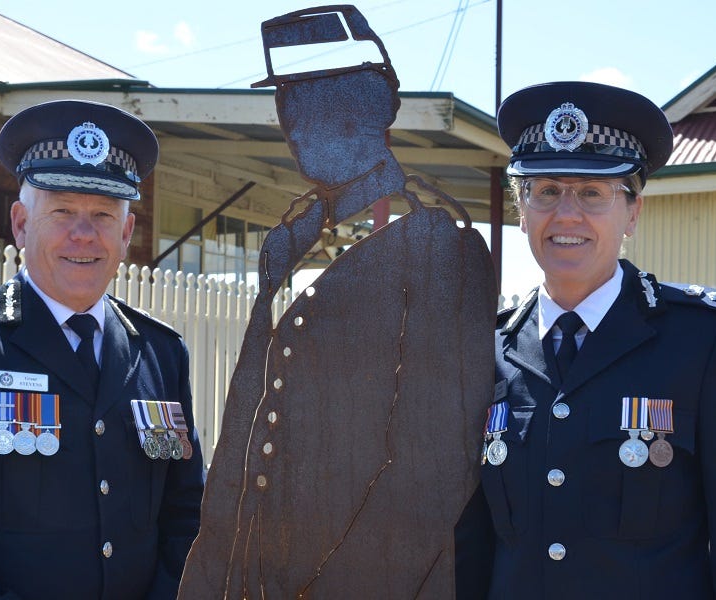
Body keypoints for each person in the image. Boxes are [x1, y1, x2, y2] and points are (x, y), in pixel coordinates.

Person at [179, 6, 495, 598]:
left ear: (369, 110)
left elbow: (432, 465)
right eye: (287, 108)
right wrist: (207, 578)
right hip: (258, 573)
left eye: (315, 107)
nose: (295, 128)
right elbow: (245, 425)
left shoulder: (436, 244)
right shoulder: (289, 240)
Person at [455, 82, 716, 599]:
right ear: (522, 210)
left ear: (632, 212)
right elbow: (474, 545)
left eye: (593, 192)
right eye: (545, 190)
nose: (567, 214)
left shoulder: (701, 337)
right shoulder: (487, 345)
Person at [0, 100, 204, 599]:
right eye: (63, 211)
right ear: (21, 224)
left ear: (126, 233)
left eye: (101, 214)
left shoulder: (161, 353)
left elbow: (187, 514)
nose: (83, 233)